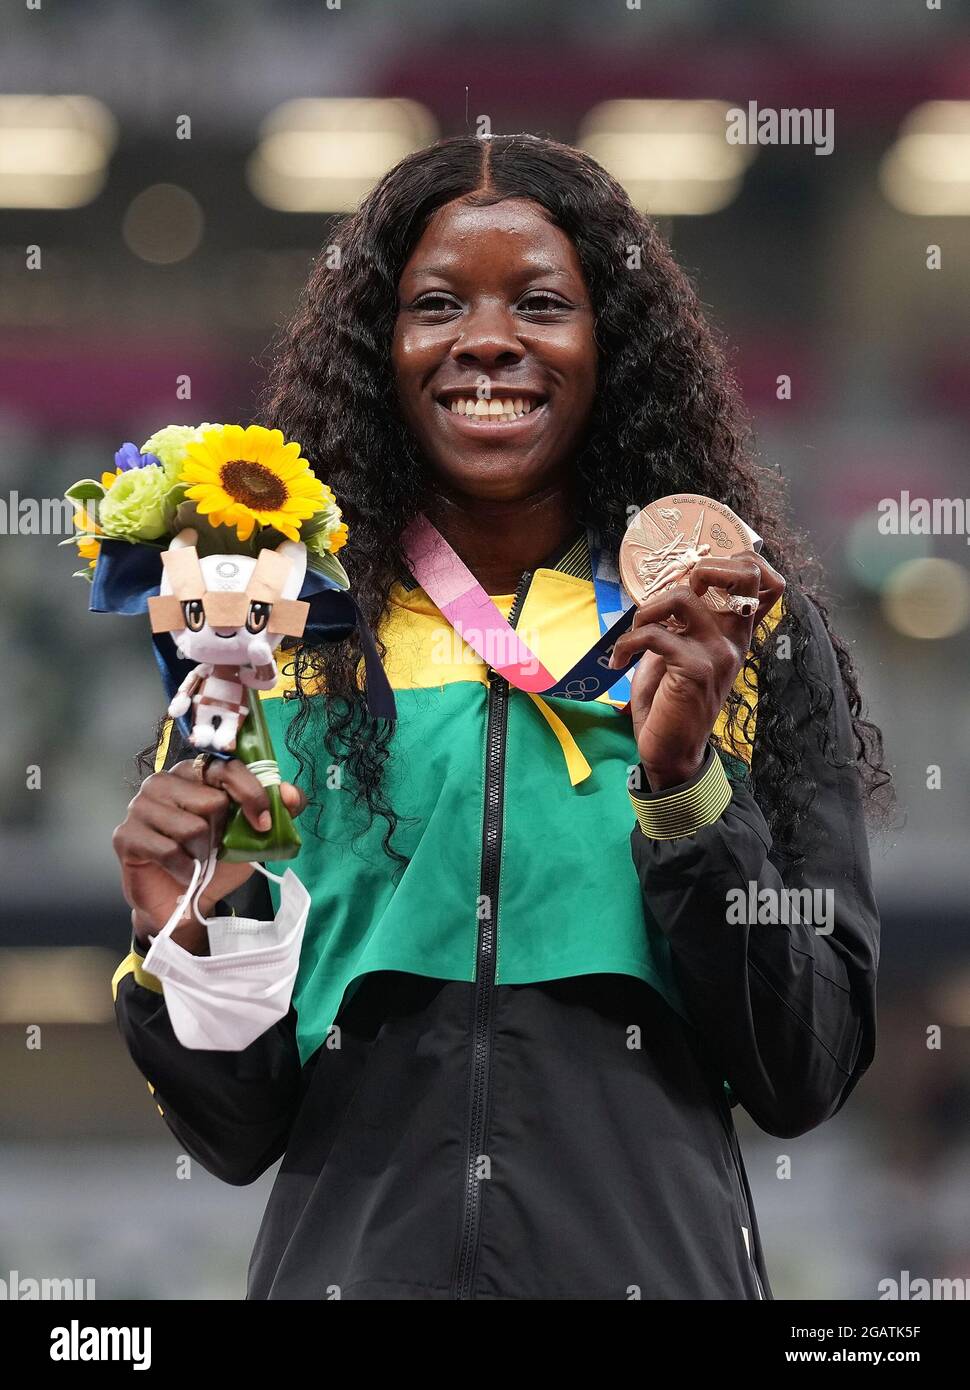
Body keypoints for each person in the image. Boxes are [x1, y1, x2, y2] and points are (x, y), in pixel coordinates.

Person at [110, 133, 887, 1301]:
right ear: (383, 349)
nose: (486, 339)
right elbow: (233, 1133)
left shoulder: (728, 632)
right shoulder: (281, 642)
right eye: (435, 305)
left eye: (539, 303)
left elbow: (803, 1069)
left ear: (606, 344)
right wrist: (200, 933)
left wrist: (684, 797)